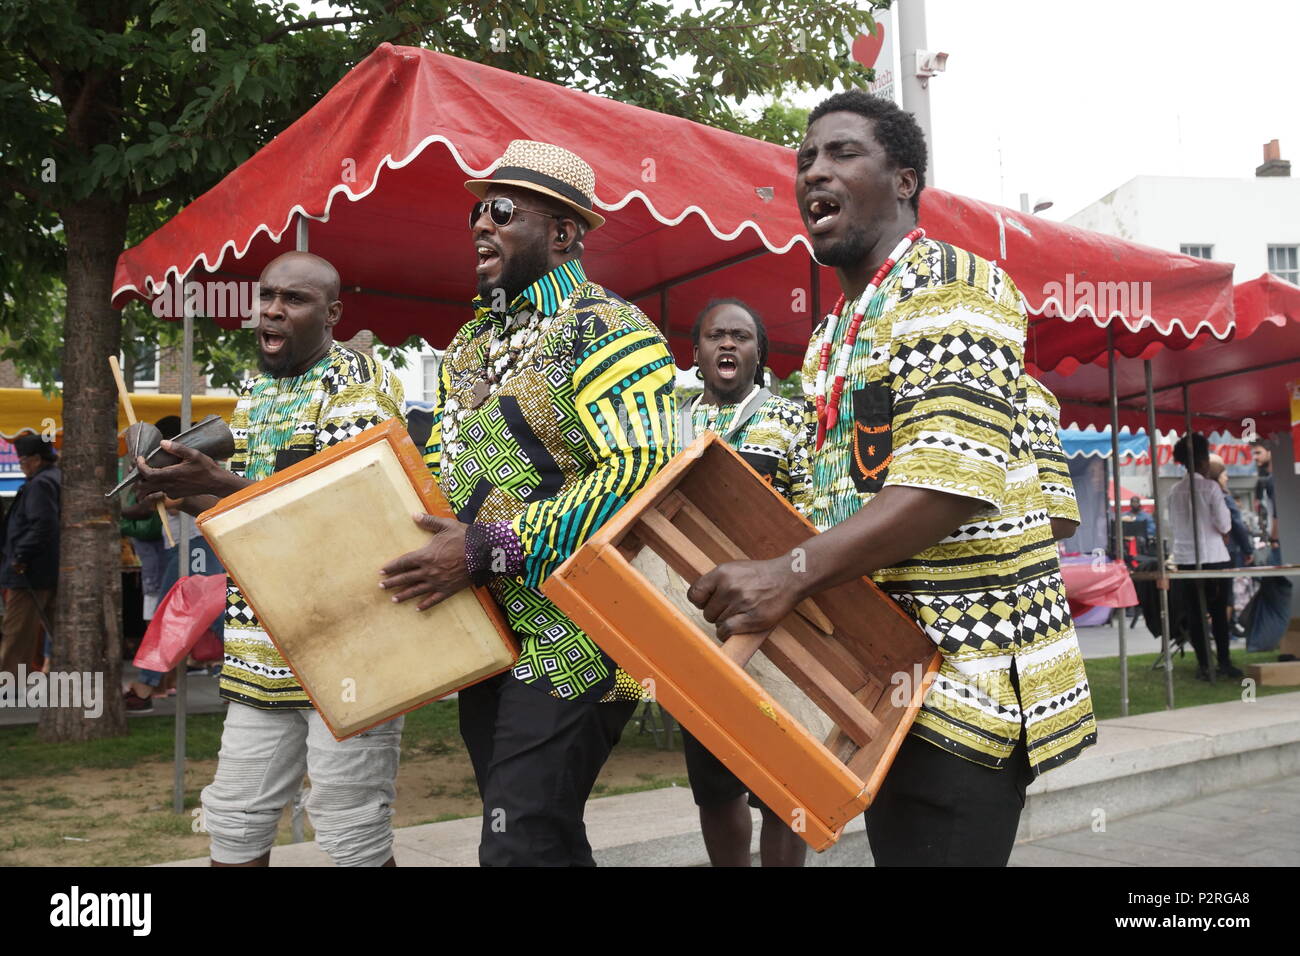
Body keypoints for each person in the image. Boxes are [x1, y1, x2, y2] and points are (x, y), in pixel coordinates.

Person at [686, 90, 1097, 866]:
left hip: (967, 682)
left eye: (842, 153)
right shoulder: (832, 335)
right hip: (885, 678)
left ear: (905, 181)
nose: (814, 171)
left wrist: (788, 574)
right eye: (805, 158)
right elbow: (824, 492)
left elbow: (946, 484)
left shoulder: (953, 285)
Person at [379, 140, 677, 866]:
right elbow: (449, 470)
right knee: (539, 832)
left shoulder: (612, 329)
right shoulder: (471, 343)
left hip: (583, 634)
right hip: (485, 630)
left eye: (502, 210)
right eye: (476, 210)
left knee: (517, 841)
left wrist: (487, 546)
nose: (480, 223)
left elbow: (640, 471)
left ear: (564, 233)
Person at [136, 251, 407, 866]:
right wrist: (176, 491)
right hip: (265, 647)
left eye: (295, 299)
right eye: (266, 297)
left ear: (333, 313)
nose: (273, 310)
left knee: (350, 832)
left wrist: (223, 486)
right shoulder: (259, 394)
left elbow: (343, 524)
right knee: (234, 822)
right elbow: (251, 515)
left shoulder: (357, 396)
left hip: (353, 648)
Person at [677, 298, 814, 867]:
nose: (727, 345)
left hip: (777, 628)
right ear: (697, 352)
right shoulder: (671, 423)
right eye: (715, 336)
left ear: (760, 353)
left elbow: (813, 514)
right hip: (692, 627)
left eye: (741, 336)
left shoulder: (789, 418)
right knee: (715, 785)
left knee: (785, 789)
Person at [1168, 434, 1241, 680]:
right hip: (1214, 556)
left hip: (1185, 557)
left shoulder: (1173, 491)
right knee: (1219, 612)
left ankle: (1204, 664)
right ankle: (1224, 662)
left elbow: (1174, 525)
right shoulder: (1210, 487)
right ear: (1202, 461)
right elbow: (1224, 524)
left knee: (1195, 612)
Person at [0, 434, 61, 676]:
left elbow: (42, 525)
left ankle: (7, 679)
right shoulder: (51, 478)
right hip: (42, 568)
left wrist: (20, 557)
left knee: (17, 628)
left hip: (29, 571)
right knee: (46, 625)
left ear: (36, 459)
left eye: (22, 460)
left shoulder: (41, 484)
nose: (21, 464)